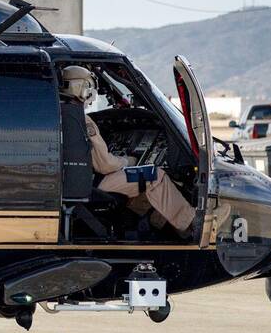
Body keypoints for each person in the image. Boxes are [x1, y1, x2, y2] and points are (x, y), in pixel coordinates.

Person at [60, 64, 196, 238]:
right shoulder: (82, 120)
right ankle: (191, 223)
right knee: (154, 176)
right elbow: (105, 165)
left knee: (141, 189)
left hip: (73, 183)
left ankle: (162, 226)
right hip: (92, 184)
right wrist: (128, 161)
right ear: (84, 88)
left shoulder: (60, 114)